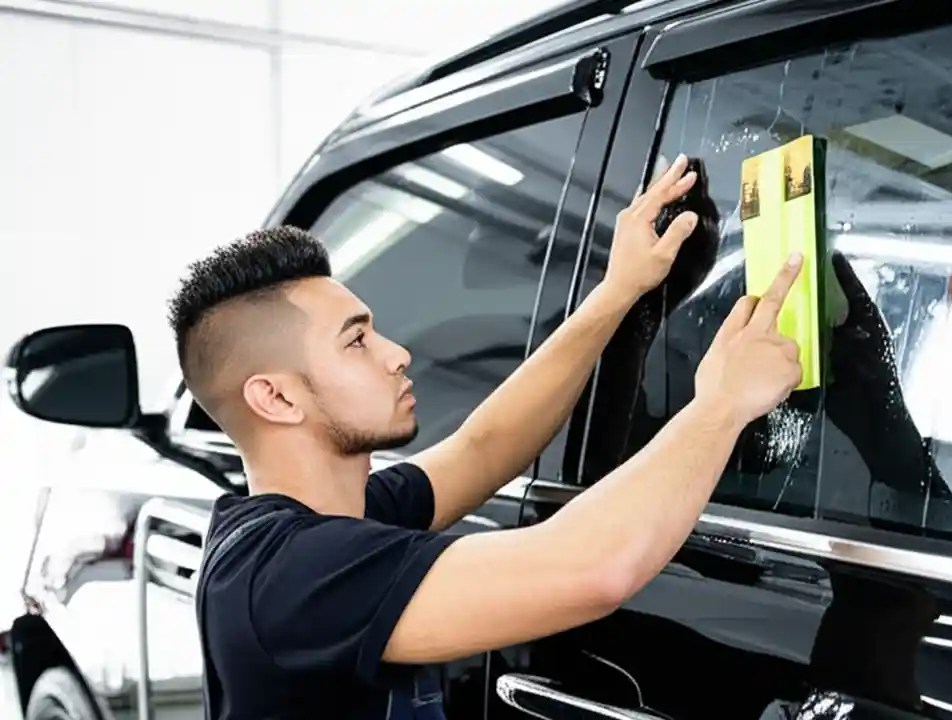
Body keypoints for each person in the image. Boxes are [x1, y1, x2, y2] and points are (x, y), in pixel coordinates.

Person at [170, 153, 805, 719]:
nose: (395, 353)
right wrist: (723, 404)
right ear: (276, 397)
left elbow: (486, 446)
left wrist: (618, 291)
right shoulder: (287, 577)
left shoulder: (334, 517)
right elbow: (591, 571)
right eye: (356, 340)